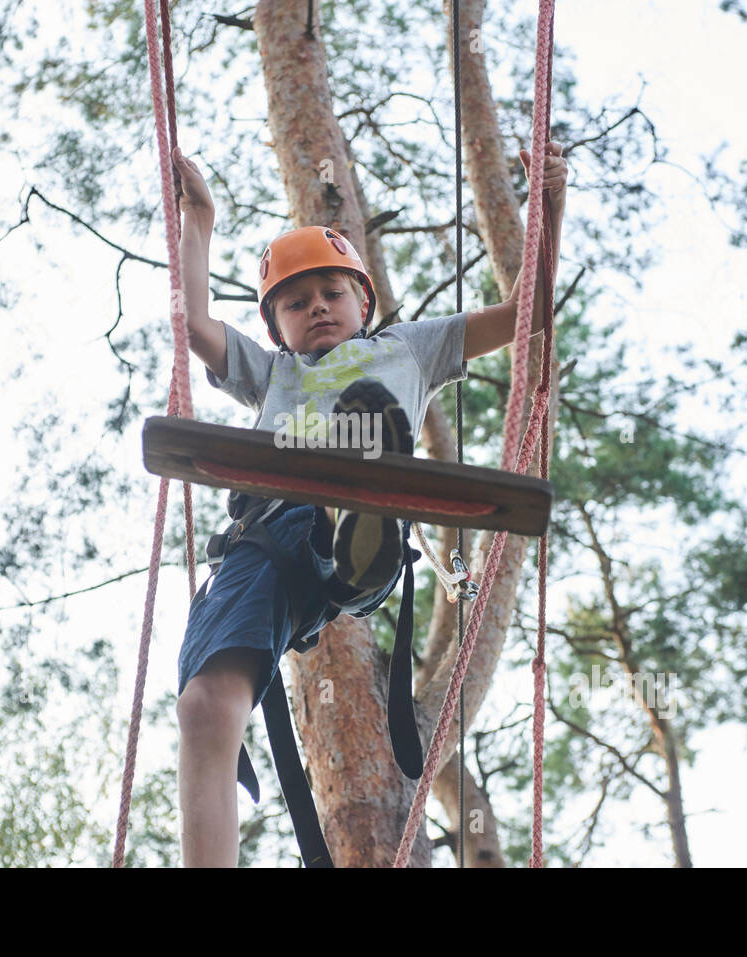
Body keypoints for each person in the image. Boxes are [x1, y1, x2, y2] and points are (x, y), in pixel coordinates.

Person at [169, 142, 567, 866]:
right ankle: (352, 516)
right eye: (295, 301)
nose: (316, 307)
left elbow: (526, 313)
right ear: (274, 325)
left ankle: (361, 514)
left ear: (365, 302)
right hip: (268, 537)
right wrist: (200, 220)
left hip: (361, 497)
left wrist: (547, 206)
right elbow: (195, 328)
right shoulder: (275, 371)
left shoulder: (408, 348)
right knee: (201, 707)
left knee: (363, 425)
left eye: (332, 293)